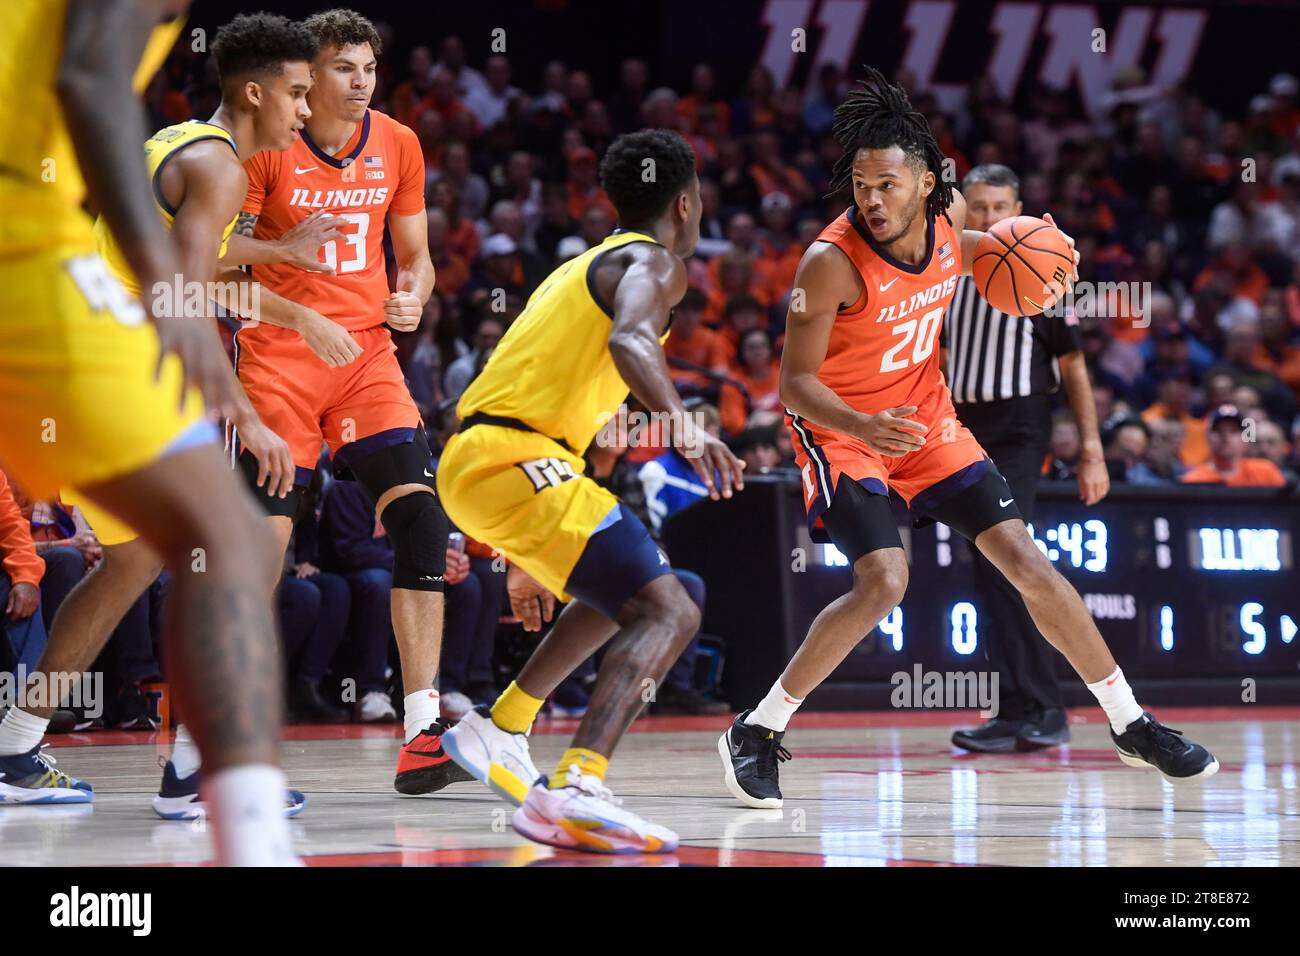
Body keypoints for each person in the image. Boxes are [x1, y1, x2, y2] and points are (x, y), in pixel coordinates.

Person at [717, 69, 1218, 810]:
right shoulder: (829, 263)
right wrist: (860, 426)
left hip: (925, 420)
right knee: (885, 580)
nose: (872, 199)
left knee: (1026, 561)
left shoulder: (952, 225)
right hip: (841, 429)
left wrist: (1038, 262)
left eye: (887, 184)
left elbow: (983, 246)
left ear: (927, 186)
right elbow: (794, 386)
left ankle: (1129, 722)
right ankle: (757, 731)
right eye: (861, 184)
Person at [0, 11, 320, 820]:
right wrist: (245, 413)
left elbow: (196, 270)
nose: (306, 111)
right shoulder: (218, 170)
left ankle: (14, 746)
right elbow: (182, 290)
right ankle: (198, 777)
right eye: (298, 93)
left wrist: (291, 308)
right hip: (92, 340)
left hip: (79, 324)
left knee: (138, 558)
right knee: (231, 545)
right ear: (255, 91)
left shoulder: (177, 143)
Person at [438, 129, 745, 853]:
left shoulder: (579, 268)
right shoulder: (655, 261)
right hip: (515, 456)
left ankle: (501, 726)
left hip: (485, 459)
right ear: (685, 201)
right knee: (674, 607)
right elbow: (632, 344)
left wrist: (523, 550)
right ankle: (576, 785)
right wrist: (688, 429)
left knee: (625, 596)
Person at [218, 9, 463, 797]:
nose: (360, 82)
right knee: (262, 562)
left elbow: (418, 259)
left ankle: (422, 728)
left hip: (365, 357)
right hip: (280, 360)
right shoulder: (264, 149)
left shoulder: (399, 143)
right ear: (308, 76)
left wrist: (413, 298)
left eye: (368, 67)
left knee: (422, 522)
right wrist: (297, 294)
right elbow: (218, 269)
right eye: (342, 68)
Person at [943, 164, 1109, 753]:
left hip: (1018, 427)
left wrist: (1091, 449)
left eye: (999, 207)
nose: (988, 219)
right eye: (979, 207)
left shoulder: (1040, 270)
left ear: (1020, 208)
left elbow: (1074, 368)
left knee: (1008, 559)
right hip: (960, 424)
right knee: (986, 570)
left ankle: (1046, 707)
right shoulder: (950, 268)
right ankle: (1013, 709)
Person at [1181, 406, 1289, 487]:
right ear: (1208, 437)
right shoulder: (1193, 480)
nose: (1226, 436)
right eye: (1219, 431)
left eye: (1233, 431)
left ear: (1245, 438)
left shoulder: (1266, 472)